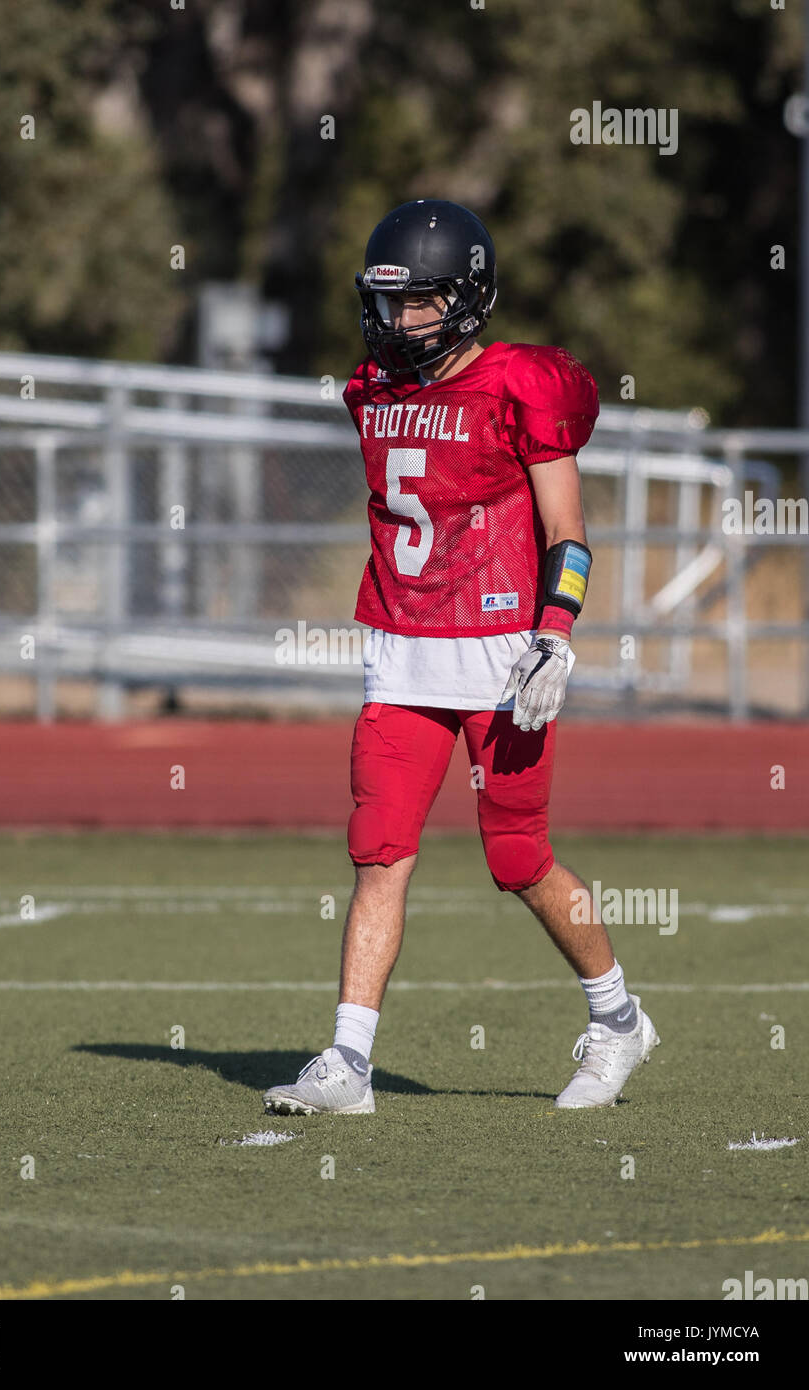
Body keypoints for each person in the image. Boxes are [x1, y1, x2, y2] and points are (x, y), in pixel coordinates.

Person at [263, 199, 659, 1116]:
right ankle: (349, 1064)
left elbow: (568, 530)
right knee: (378, 853)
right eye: (388, 304)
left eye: (421, 304)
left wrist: (555, 634)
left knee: (518, 857)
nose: (399, 323)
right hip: (401, 652)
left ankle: (619, 1020)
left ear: (470, 298)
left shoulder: (519, 383)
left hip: (502, 656)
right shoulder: (375, 388)